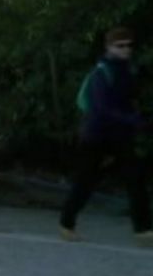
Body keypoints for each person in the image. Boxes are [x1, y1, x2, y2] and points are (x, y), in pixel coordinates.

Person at [60, 27, 152, 244]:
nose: (126, 50)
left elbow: (128, 101)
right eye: (120, 46)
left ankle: (144, 230)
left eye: (129, 45)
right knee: (86, 181)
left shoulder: (128, 71)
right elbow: (101, 108)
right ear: (109, 47)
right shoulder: (101, 73)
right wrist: (133, 120)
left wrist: (136, 118)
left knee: (136, 179)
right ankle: (66, 222)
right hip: (96, 136)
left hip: (121, 135)